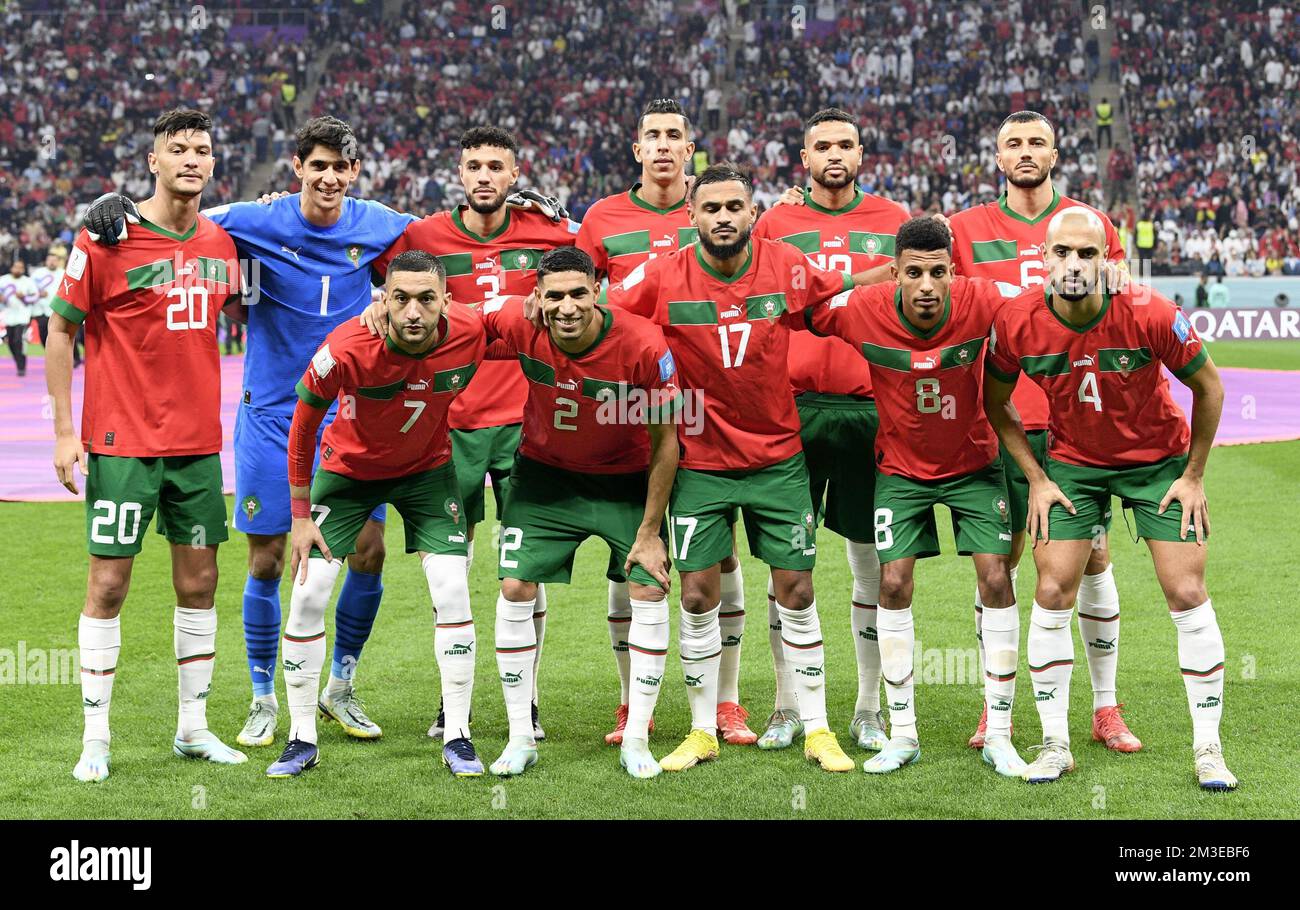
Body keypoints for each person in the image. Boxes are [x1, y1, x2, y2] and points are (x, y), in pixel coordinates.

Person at [82, 116, 419, 750]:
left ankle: (341, 684)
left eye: (339, 167)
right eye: (315, 165)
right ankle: (264, 696)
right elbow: (175, 217)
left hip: (351, 417)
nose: (327, 176)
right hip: (272, 414)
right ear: (297, 168)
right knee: (264, 559)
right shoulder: (250, 220)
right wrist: (116, 203)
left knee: (368, 551)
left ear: (354, 172)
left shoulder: (382, 224)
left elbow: (451, 245)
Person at [602, 162, 859, 774]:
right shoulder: (663, 276)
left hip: (778, 459)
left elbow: (844, 286)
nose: (722, 218)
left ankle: (817, 727)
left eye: (733, 208)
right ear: (691, 215)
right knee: (695, 594)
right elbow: (605, 315)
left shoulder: (785, 263)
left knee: (795, 589)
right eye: (710, 208)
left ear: (752, 214)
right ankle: (700, 729)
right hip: (700, 462)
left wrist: (909, 271)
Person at [984, 207, 1235, 790]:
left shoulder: (1150, 312)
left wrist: (1194, 475)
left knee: (1187, 591)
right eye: (1063, 253)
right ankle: (1053, 744)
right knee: (1050, 589)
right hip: (1073, 465)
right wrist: (1038, 478)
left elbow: (1209, 386)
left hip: (1159, 465)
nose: (1074, 265)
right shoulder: (1016, 320)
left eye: (1088, 254)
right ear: (1043, 258)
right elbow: (997, 403)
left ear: (1107, 260)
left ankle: (1209, 750)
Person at [46, 108, 245, 783]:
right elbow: (59, 330)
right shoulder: (105, 237)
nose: (192, 159)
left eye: (203, 149)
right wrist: (65, 432)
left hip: (197, 447)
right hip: (122, 444)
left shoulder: (222, 245)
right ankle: (95, 739)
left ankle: (193, 729)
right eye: (178, 149)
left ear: (214, 163)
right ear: (153, 161)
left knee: (201, 582)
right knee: (108, 583)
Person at [792, 217, 1026, 777]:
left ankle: (999, 732)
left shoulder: (983, 297)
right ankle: (903, 734)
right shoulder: (864, 308)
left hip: (973, 465)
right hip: (900, 469)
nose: (926, 285)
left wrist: (1111, 279)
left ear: (954, 273)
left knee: (996, 578)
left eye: (937, 272)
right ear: (895, 273)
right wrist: (871, 275)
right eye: (912, 273)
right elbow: (806, 307)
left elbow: (1041, 298)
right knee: (893, 582)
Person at [372, 125, 580, 742]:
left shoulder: (551, 234)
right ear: (459, 175)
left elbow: (604, 260)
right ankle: (450, 702)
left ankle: (530, 698)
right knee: (449, 572)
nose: (484, 175)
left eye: (496, 166)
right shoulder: (421, 238)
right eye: (473, 166)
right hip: (449, 424)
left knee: (526, 568)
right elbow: (375, 277)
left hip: (527, 423)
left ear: (516, 176)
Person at [949, 110, 1140, 753]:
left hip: (1075, 424)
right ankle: (993, 705)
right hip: (997, 423)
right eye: (1013, 144)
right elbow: (916, 268)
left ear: (1055, 153)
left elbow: (1122, 298)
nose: (1025, 152)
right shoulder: (965, 230)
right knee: (995, 566)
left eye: (1036, 142)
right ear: (997, 157)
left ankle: (1106, 707)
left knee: (1092, 560)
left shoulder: (1089, 224)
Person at [577, 98, 755, 747]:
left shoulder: (711, 210)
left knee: (720, 553)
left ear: (690, 149)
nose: (661, 145)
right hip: (633, 410)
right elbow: (585, 305)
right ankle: (632, 704)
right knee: (632, 555)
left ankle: (728, 703)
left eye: (672, 136)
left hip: (709, 408)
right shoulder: (601, 219)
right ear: (636, 148)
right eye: (650, 135)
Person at [271, 250, 487, 778]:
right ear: (383, 300)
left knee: (453, 588)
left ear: (446, 301)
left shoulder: (471, 329)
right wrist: (300, 516)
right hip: (347, 476)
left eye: (426, 299)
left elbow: (534, 320)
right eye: (401, 299)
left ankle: (457, 735)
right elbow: (301, 429)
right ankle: (301, 737)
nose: (413, 312)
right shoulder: (345, 347)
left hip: (428, 473)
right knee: (307, 593)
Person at [474, 248, 681, 778]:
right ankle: (521, 735)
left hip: (625, 482)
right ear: (537, 298)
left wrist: (651, 531)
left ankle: (636, 737)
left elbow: (666, 442)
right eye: (554, 296)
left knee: (649, 588)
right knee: (515, 588)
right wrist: (379, 307)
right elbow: (457, 318)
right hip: (545, 477)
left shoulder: (641, 344)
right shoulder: (520, 324)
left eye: (578, 294)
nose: (566, 307)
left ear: (597, 292)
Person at [750, 107, 909, 753]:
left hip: (870, 408)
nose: (835, 154)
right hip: (789, 409)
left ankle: (869, 708)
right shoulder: (775, 223)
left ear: (862, 153)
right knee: (785, 563)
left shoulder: (893, 220)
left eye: (846, 144)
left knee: (870, 562)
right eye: (823, 146)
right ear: (804, 157)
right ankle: (787, 705)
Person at [1, 259, 38, 376]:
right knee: (11, 342)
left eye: (20, 267)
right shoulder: (3, 280)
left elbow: (35, 297)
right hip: (9, 315)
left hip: (23, 316)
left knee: (18, 340)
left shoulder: (28, 281)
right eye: (16, 267)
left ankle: (21, 367)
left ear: (23, 269)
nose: (18, 269)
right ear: (11, 268)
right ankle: (19, 359)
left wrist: (24, 297)